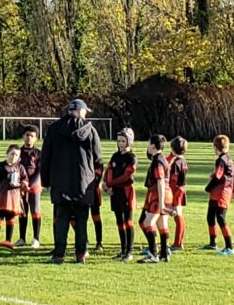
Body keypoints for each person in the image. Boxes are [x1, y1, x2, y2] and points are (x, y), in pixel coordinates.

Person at [41, 98, 103, 264]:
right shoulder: (90, 131)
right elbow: (98, 160)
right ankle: (80, 254)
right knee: (82, 221)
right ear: (80, 111)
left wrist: (45, 181)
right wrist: (95, 181)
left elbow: (45, 157)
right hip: (84, 183)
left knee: (61, 220)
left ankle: (59, 255)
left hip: (60, 182)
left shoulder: (54, 129)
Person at [103, 128, 137, 262]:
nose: (121, 143)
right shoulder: (115, 156)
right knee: (119, 221)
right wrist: (105, 185)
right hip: (115, 193)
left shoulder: (131, 158)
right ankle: (123, 250)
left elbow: (127, 176)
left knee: (128, 221)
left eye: (123, 141)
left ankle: (129, 251)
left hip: (126, 192)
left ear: (129, 141)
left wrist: (111, 183)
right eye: (119, 141)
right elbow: (108, 171)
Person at [138, 134, 172, 264]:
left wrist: (162, 202)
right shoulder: (161, 159)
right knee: (162, 224)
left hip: (158, 195)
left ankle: (153, 253)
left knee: (146, 223)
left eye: (148, 143)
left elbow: (160, 181)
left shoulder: (158, 161)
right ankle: (164, 253)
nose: (147, 145)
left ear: (152, 145)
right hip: (164, 194)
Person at [201, 134, 234, 256]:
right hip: (217, 192)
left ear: (216, 147)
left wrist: (208, 187)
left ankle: (229, 246)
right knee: (210, 216)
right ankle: (212, 243)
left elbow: (218, 176)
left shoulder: (221, 160)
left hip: (222, 192)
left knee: (220, 218)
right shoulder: (228, 159)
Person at [0, 144, 29, 250]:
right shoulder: (1, 166)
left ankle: (8, 242)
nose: (14, 157)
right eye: (12, 154)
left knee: (10, 218)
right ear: (7, 153)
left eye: (16, 155)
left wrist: (22, 184)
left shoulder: (20, 167)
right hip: (2, 196)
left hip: (14, 196)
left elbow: (25, 179)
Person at [17, 125, 43, 248]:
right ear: (23, 136)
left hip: (34, 187)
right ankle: (22, 238)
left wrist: (31, 184)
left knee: (35, 211)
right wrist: (21, 183)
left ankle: (36, 239)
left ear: (36, 138)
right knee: (22, 212)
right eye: (27, 135)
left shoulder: (38, 153)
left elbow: (40, 171)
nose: (29, 138)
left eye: (32, 136)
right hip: (20, 187)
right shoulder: (18, 152)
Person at [167, 136, 189, 251]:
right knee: (178, 215)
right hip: (181, 189)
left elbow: (173, 179)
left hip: (176, 190)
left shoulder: (176, 164)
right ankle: (179, 242)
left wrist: (168, 190)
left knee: (177, 216)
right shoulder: (183, 161)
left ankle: (177, 243)